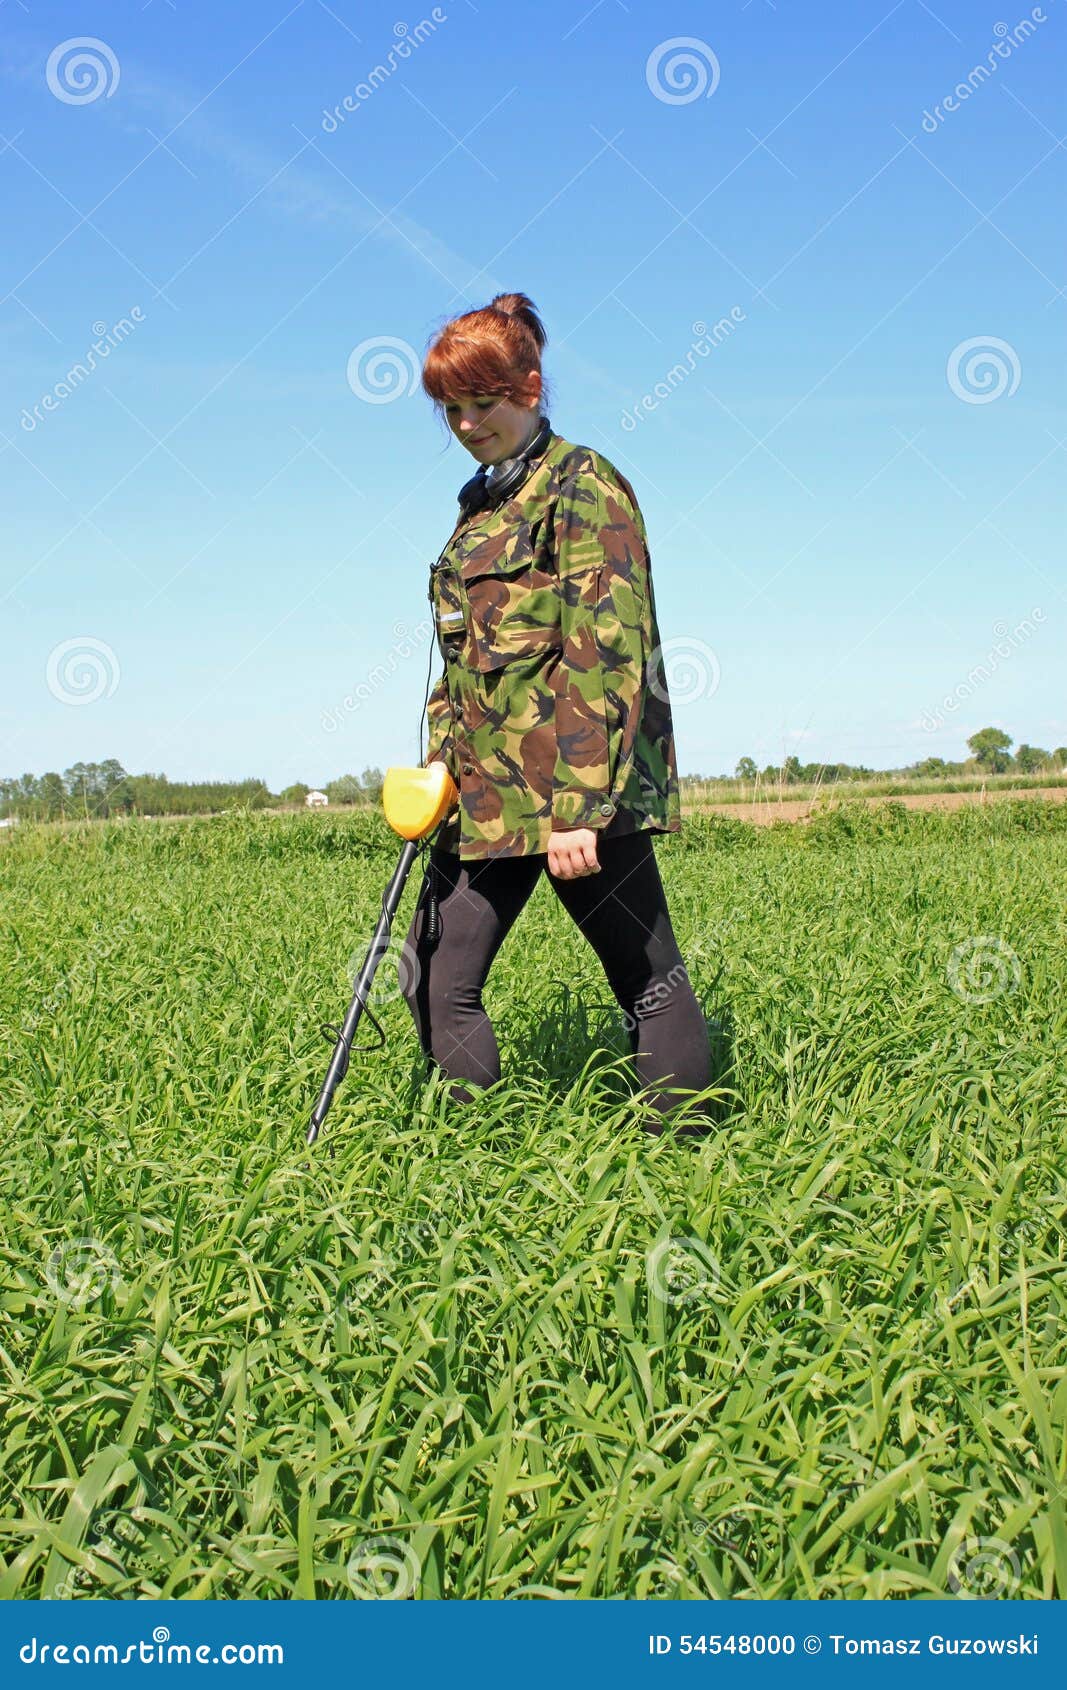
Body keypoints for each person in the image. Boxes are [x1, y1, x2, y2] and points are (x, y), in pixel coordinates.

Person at [399, 290, 713, 1138]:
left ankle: (687, 1164)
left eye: (482, 403)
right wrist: (437, 765)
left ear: (530, 388)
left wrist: (579, 806)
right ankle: (472, 1160)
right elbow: (462, 657)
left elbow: (607, 651)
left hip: (579, 792)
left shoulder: (583, 486)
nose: (466, 424)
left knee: (646, 977)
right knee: (431, 971)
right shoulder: (482, 504)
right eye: (450, 409)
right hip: (485, 788)